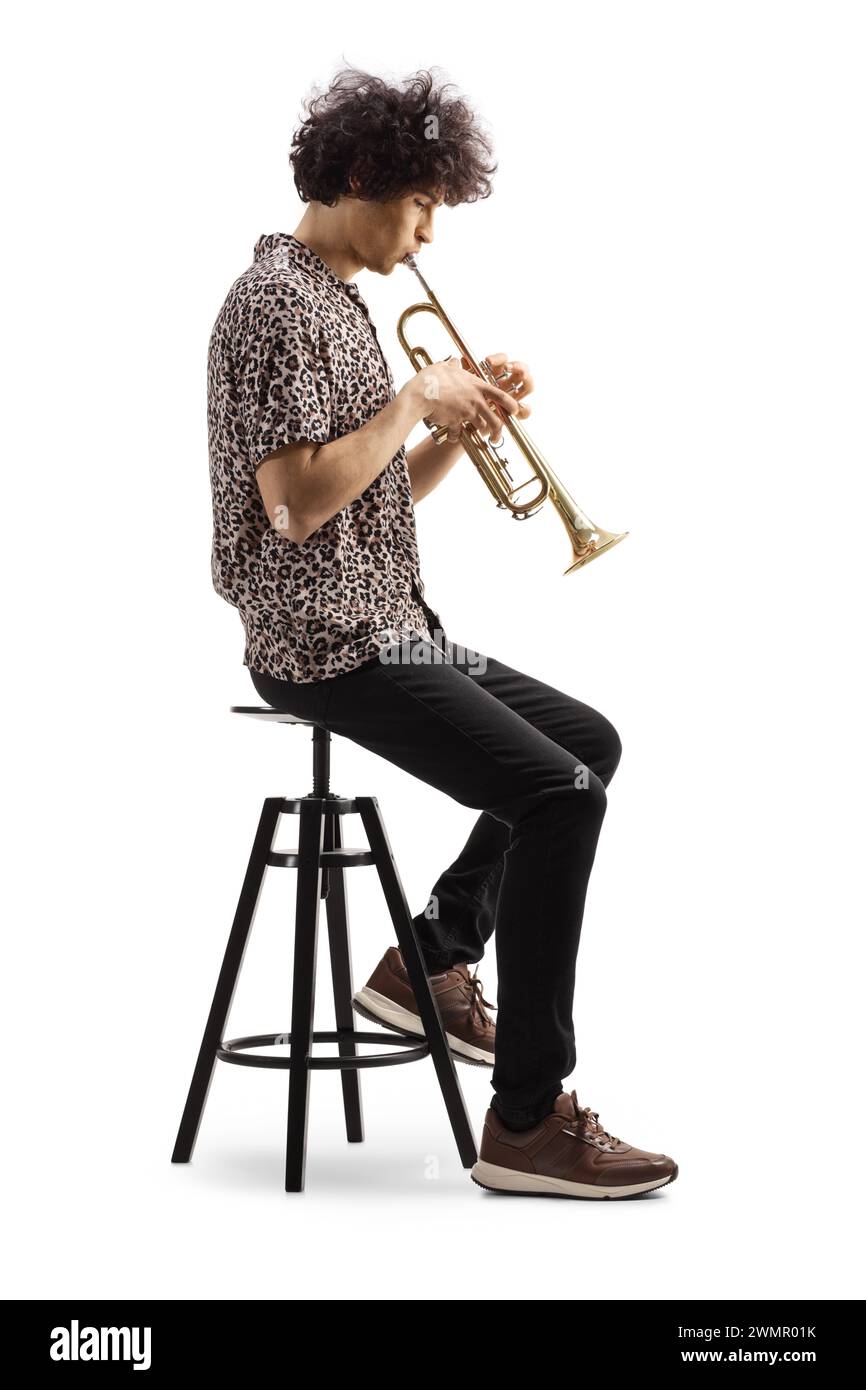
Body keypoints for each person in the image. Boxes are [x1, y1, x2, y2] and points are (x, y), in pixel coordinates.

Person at [207, 65, 678, 1199]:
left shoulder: (337, 304)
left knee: (587, 745)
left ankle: (430, 962)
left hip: (385, 621)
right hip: (323, 644)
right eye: (420, 206)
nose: (426, 235)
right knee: (560, 794)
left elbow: (360, 505)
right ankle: (522, 1119)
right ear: (362, 176)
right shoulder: (275, 303)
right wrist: (418, 397)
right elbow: (293, 507)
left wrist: (462, 432)